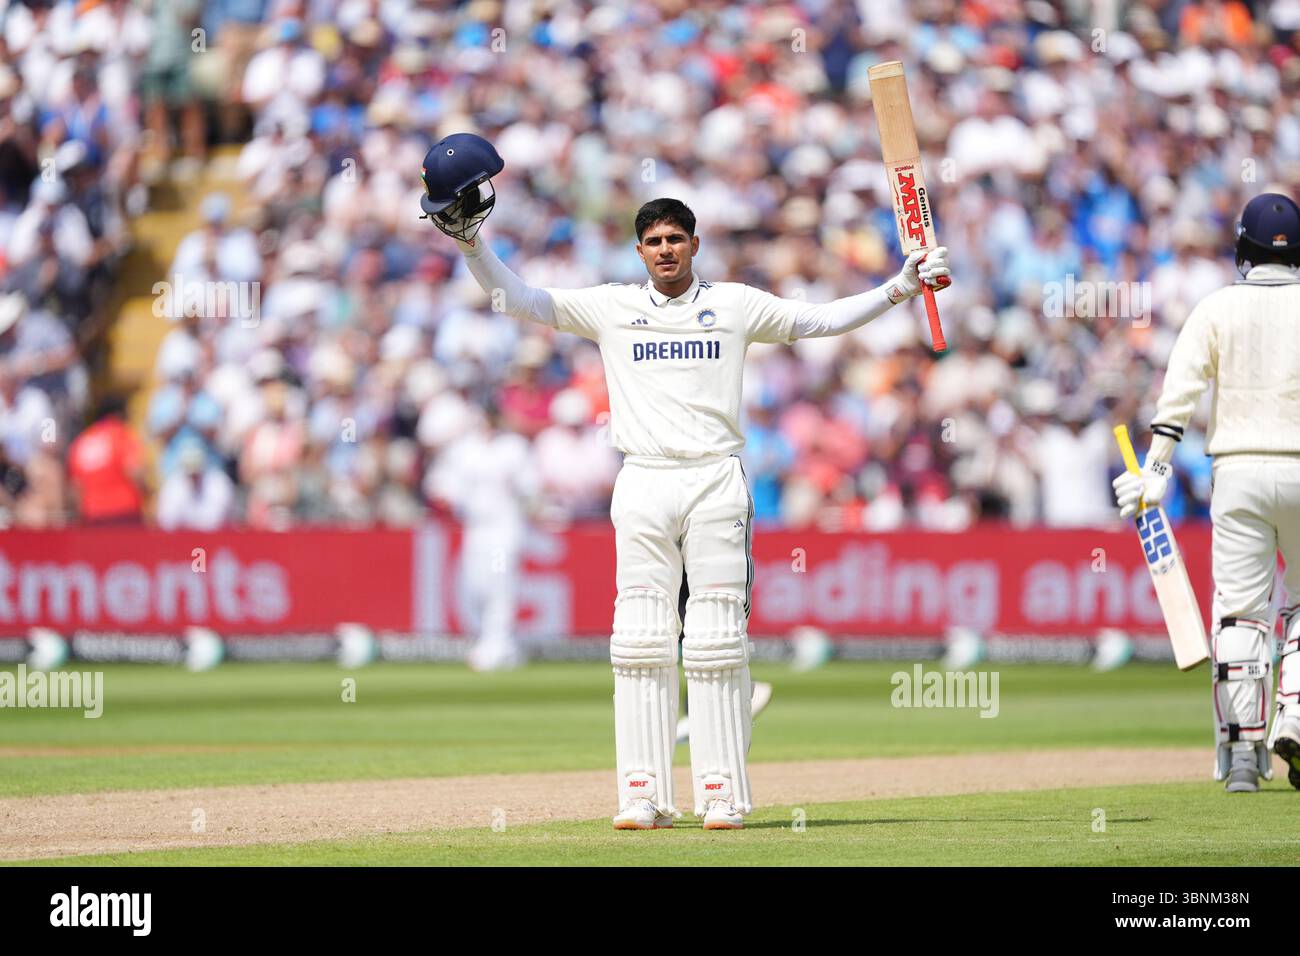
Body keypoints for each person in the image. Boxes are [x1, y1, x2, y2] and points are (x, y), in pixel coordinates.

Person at [421, 133, 950, 830]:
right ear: (638, 251)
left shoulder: (734, 305)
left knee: (714, 639)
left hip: (713, 481)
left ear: (695, 245)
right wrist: (469, 247)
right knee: (637, 640)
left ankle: (722, 792)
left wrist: (902, 287)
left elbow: (821, 320)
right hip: (641, 480)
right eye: (653, 240)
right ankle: (641, 793)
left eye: (676, 238)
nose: (665, 249)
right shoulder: (611, 307)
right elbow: (515, 299)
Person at [1113, 193, 1300, 793]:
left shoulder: (1216, 306)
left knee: (1240, 614)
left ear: (1242, 249)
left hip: (1238, 473)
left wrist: (1156, 469)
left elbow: (1181, 393)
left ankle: (1242, 755)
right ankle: (1294, 717)